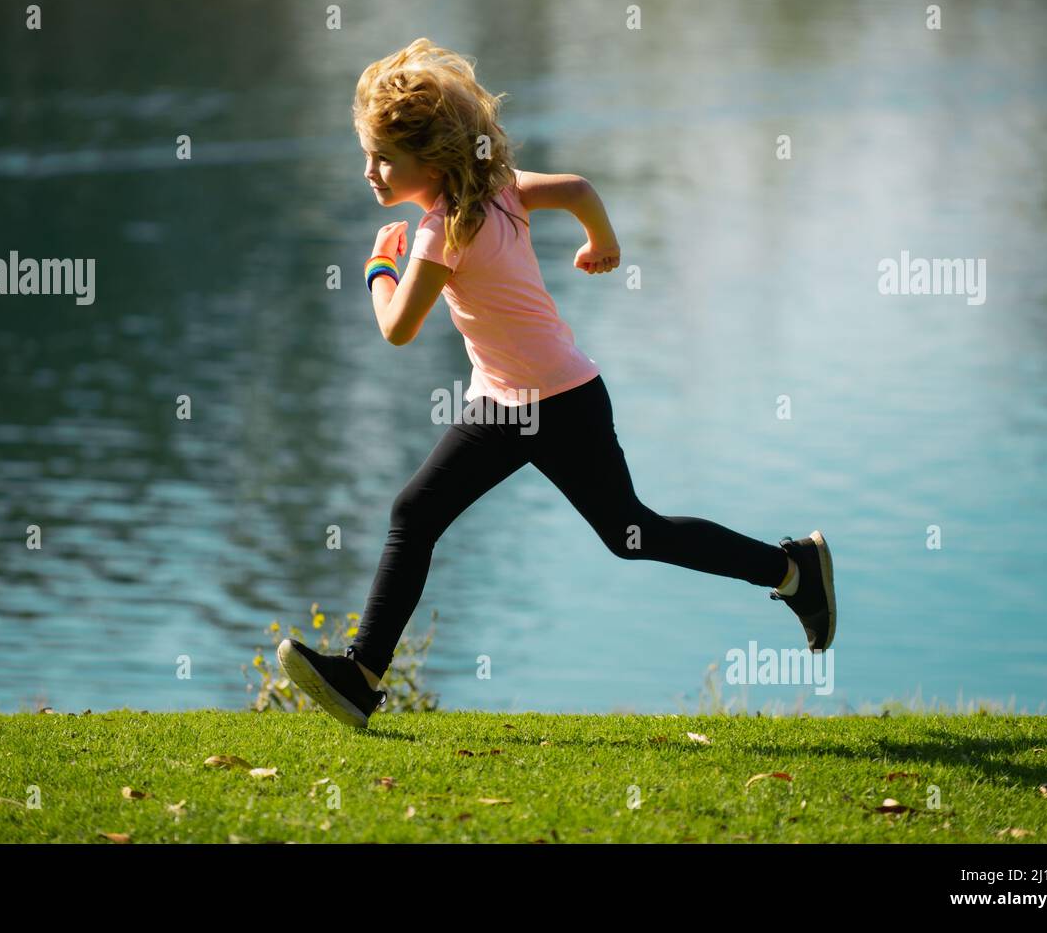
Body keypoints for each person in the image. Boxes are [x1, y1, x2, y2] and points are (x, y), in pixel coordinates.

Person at [276, 38, 835, 728]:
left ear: (433, 161)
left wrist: (376, 265)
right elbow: (578, 189)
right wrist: (603, 242)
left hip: (560, 404)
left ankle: (790, 570)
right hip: (506, 401)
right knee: (414, 515)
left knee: (631, 531)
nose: (369, 171)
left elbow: (396, 328)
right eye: (368, 155)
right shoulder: (496, 188)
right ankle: (360, 676)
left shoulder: (439, 231)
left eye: (384, 158)